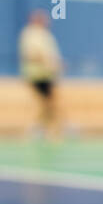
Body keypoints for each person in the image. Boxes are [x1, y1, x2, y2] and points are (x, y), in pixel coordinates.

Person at [18, 9, 63, 140]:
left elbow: (50, 55)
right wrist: (47, 62)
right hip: (37, 75)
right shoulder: (30, 34)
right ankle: (38, 129)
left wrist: (56, 64)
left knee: (50, 103)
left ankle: (43, 129)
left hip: (47, 75)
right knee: (47, 104)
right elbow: (31, 55)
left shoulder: (45, 35)